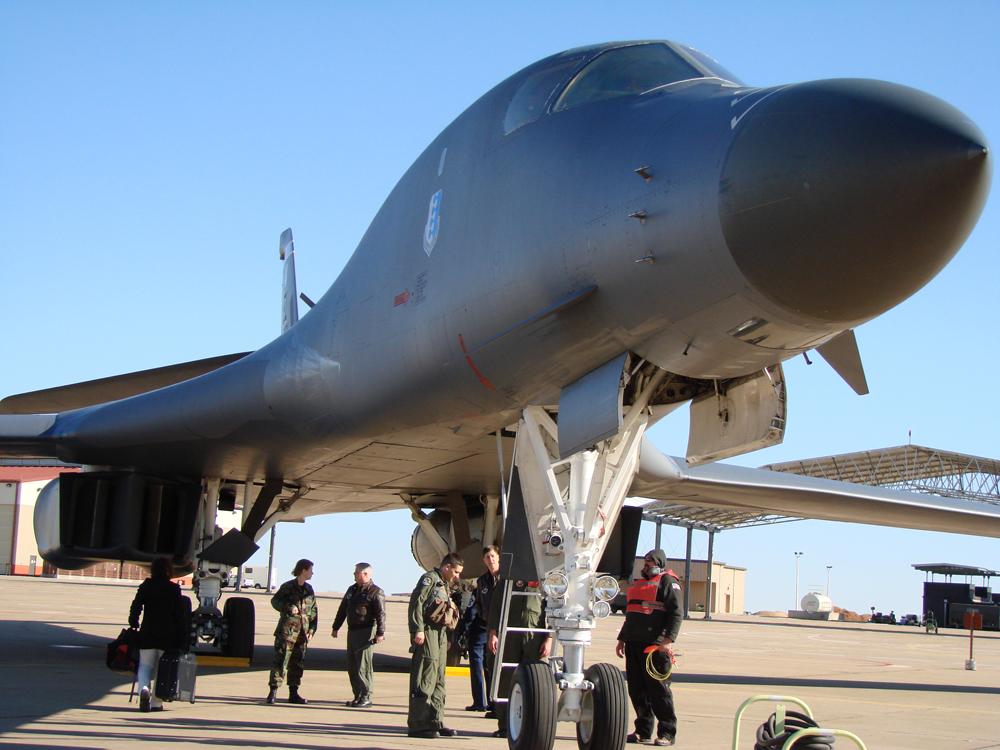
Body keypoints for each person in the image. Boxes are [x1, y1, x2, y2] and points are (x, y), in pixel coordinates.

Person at [616, 549, 683, 746]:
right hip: (634, 643)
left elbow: (676, 613)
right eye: (645, 562)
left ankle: (667, 733)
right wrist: (622, 639)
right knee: (637, 690)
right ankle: (643, 731)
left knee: (659, 691)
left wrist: (668, 639)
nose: (646, 565)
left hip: (655, 646)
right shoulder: (638, 584)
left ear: (659, 563)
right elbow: (632, 614)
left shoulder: (668, 582)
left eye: (650, 562)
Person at [407, 552, 464, 739]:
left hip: (439, 635)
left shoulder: (444, 585)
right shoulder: (429, 580)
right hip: (428, 633)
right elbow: (416, 603)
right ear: (447, 567)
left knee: (439, 678)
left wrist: (447, 638)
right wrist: (418, 630)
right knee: (426, 676)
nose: (457, 576)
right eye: (455, 572)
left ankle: (435, 721)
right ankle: (418, 724)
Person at [487, 576, 552, 738]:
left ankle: (535, 726)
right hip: (511, 633)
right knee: (506, 678)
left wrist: (550, 638)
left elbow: (553, 606)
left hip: (535, 635)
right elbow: (496, 606)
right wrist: (493, 632)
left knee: (537, 682)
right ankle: (505, 725)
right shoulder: (509, 576)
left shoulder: (545, 576)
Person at [128, 556, 188, 713]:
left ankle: (143, 688)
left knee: (145, 665)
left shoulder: (146, 586)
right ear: (169, 571)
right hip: (168, 636)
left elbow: (136, 606)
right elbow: (179, 616)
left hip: (148, 632)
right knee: (164, 669)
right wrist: (183, 638)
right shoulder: (174, 589)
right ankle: (156, 702)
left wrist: (134, 621)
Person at [332, 562, 386, 708]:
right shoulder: (352, 590)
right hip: (352, 630)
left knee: (364, 665)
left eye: (357, 572)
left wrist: (380, 633)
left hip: (366, 631)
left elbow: (381, 614)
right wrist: (336, 627)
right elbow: (343, 609)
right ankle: (357, 695)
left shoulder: (375, 592)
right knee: (353, 665)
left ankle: (366, 696)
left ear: (366, 574)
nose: (354, 575)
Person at [266, 559, 318, 705]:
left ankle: (293, 693)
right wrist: (288, 607)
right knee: (281, 661)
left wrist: (312, 630)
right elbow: (275, 601)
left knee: (297, 663)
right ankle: (273, 691)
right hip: (287, 632)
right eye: (310, 570)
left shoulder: (309, 590)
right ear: (303, 571)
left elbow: (313, 611)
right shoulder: (288, 587)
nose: (312, 573)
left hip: (302, 634)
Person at [457, 545, 499, 713]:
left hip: (498, 628)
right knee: (480, 666)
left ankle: (493, 702)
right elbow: (476, 605)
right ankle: (482, 702)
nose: (491, 560)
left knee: (490, 667)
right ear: (484, 560)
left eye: (493, 556)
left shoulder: (506, 579)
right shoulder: (482, 581)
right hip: (484, 626)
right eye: (488, 557)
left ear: (498, 557)